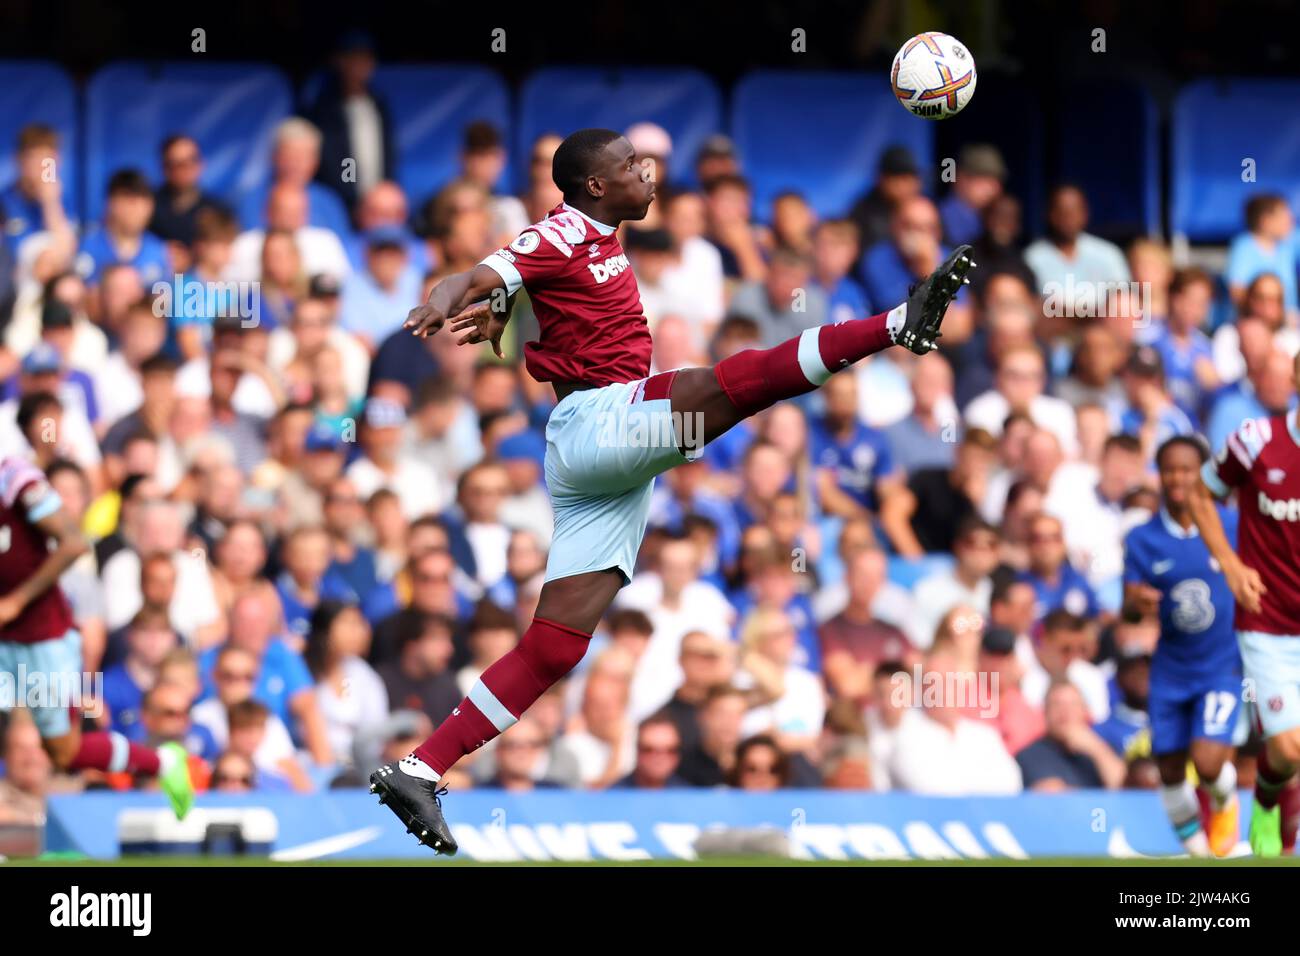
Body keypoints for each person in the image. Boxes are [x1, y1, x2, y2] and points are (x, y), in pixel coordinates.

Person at [367, 127, 973, 854]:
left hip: (607, 460)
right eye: (628, 165)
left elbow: (529, 296)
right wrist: (441, 302)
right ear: (594, 185)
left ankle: (420, 768)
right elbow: (470, 275)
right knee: (731, 386)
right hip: (596, 426)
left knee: (557, 647)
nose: (646, 170)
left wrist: (509, 308)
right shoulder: (560, 230)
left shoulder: (595, 237)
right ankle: (898, 325)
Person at [0, 456, 194, 816]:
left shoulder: (15, 479)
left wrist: (16, 601)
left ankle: (163, 763)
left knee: (64, 752)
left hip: (42, 639)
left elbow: (74, 543)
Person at [1192, 355, 1300, 856]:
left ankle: (1271, 791)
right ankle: (1269, 794)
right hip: (1267, 623)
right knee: (1289, 747)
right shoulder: (1255, 439)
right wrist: (1231, 565)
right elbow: (1200, 494)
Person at [1124, 436, 1243, 856]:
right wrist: (1136, 603)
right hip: (1171, 669)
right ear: (1159, 474)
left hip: (1221, 666)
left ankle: (1227, 801)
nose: (1178, 477)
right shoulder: (1142, 538)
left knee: (1209, 763)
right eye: (1169, 469)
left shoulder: (1232, 526)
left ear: (1203, 473)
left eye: (1187, 469)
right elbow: (1130, 610)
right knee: (1170, 770)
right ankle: (1200, 855)